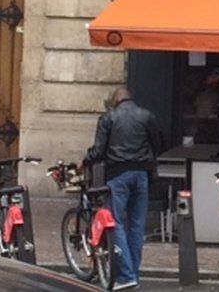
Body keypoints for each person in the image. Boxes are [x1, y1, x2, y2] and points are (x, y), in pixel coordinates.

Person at [84, 87, 162, 291]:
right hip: (142, 174)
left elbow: (99, 151)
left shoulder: (108, 118)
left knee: (115, 222)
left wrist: (86, 160)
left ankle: (126, 276)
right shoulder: (146, 115)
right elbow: (158, 144)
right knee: (137, 225)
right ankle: (133, 273)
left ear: (115, 100)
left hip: (118, 175)